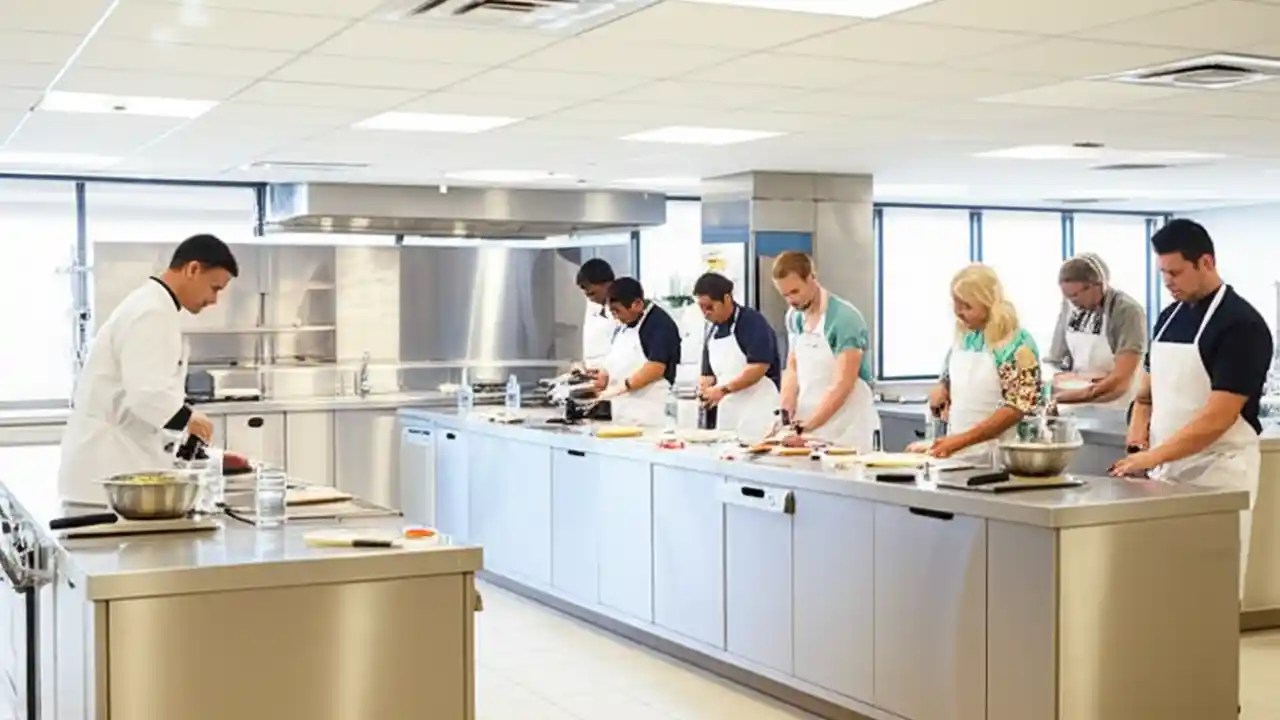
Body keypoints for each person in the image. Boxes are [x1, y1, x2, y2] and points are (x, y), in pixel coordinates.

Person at [1113, 219, 1271, 593]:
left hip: (1218, 472)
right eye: (1163, 273)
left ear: (1206, 263)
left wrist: (1150, 459)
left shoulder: (1240, 325)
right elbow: (1146, 394)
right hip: (1167, 471)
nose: (1168, 282)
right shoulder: (1170, 318)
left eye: (1176, 272)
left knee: (1211, 584)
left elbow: (1218, 417)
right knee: (1166, 584)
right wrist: (1138, 443)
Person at [59, 234, 239, 504]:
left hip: (112, 465)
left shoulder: (153, 305)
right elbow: (145, 393)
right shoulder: (152, 312)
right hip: (109, 466)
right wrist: (189, 419)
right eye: (215, 288)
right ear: (193, 269)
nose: (214, 300)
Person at [921, 264, 1044, 461]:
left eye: (967, 306)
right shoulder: (965, 338)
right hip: (960, 452)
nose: (959, 312)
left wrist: (961, 441)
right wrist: (942, 388)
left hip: (1003, 456)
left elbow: (1018, 407)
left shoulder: (1017, 344)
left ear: (988, 303)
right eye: (956, 304)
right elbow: (948, 376)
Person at [771, 251, 879, 450]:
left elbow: (842, 384)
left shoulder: (844, 319)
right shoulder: (794, 317)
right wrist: (787, 406)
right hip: (809, 425)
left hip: (847, 425)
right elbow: (793, 366)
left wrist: (808, 426)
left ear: (812, 278)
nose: (790, 301)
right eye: (784, 295)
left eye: (795, 292)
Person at [1047, 252, 1148, 411]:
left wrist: (1078, 395)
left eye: (1075, 296)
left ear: (1097, 285)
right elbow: (1055, 359)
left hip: (1118, 405)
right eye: (1068, 297)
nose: (1073, 302)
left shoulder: (1127, 312)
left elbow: (1121, 379)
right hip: (1079, 401)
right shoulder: (1070, 307)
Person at [693, 272, 781, 439]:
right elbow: (708, 374)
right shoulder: (711, 330)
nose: (706, 313)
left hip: (759, 408)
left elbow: (758, 367)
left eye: (710, 307)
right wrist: (704, 391)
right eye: (701, 308)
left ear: (727, 299)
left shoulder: (752, 322)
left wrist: (723, 389)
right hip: (730, 411)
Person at [595, 277, 682, 425]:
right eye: (613, 312)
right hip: (623, 413)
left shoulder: (659, 323)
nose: (616, 317)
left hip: (650, 415)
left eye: (618, 311)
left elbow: (656, 367)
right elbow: (617, 357)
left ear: (637, 304)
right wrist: (603, 374)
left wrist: (623, 387)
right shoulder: (624, 324)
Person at [576, 258, 616, 369]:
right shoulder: (592, 308)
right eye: (587, 295)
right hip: (593, 374)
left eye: (593, 294)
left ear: (608, 284)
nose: (591, 299)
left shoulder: (624, 312)